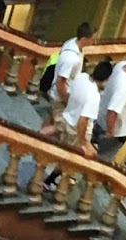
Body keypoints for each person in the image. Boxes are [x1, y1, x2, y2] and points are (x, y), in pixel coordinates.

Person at [42, 59, 111, 189]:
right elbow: (83, 120)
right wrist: (84, 143)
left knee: (61, 143)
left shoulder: (81, 77)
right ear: (105, 80)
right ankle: (50, 181)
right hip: (77, 129)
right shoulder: (94, 96)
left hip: (67, 117)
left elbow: (69, 94)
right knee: (70, 158)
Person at [37, 22, 94, 137]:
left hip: (59, 93)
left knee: (52, 118)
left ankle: (38, 136)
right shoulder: (71, 59)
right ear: (84, 39)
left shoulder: (72, 43)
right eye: (92, 39)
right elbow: (60, 82)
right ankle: (35, 137)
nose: (94, 41)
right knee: (61, 126)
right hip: (61, 96)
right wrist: (67, 100)